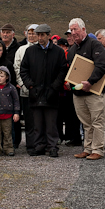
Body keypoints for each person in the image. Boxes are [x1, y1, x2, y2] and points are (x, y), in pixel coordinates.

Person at [20, 24, 68, 157]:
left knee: (51, 123)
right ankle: (39, 146)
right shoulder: (30, 52)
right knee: (37, 122)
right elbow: (23, 70)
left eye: (42, 35)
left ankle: (52, 146)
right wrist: (30, 85)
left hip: (52, 93)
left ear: (48, 35)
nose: (39, 38)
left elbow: (62, 70)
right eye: (37, 35)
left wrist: (55, 87)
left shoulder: (58, 52)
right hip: (35, 93)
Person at [67, 18, 105, 160]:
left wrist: (90, 82)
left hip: (95, 92)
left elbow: (102, 65)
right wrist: (69, 82)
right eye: (71, 30)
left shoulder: (95, 45)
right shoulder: (72, 49)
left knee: (97, 121)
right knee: (86, 122)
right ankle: (88, 148)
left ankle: (98, 149)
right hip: (79, 93)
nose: (73, 33)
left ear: (83, 29)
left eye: (75, 29)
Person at [13, 24, 39, 152]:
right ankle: (30, 145)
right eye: (29, 33)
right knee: (29, 119)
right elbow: (17, 68)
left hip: (41, 91)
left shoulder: (43, 49)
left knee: (40, 119)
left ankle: (41, 143)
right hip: (25, 90)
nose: (32, 35)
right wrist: (23, 84)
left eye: (34, 33)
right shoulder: (21, 50)